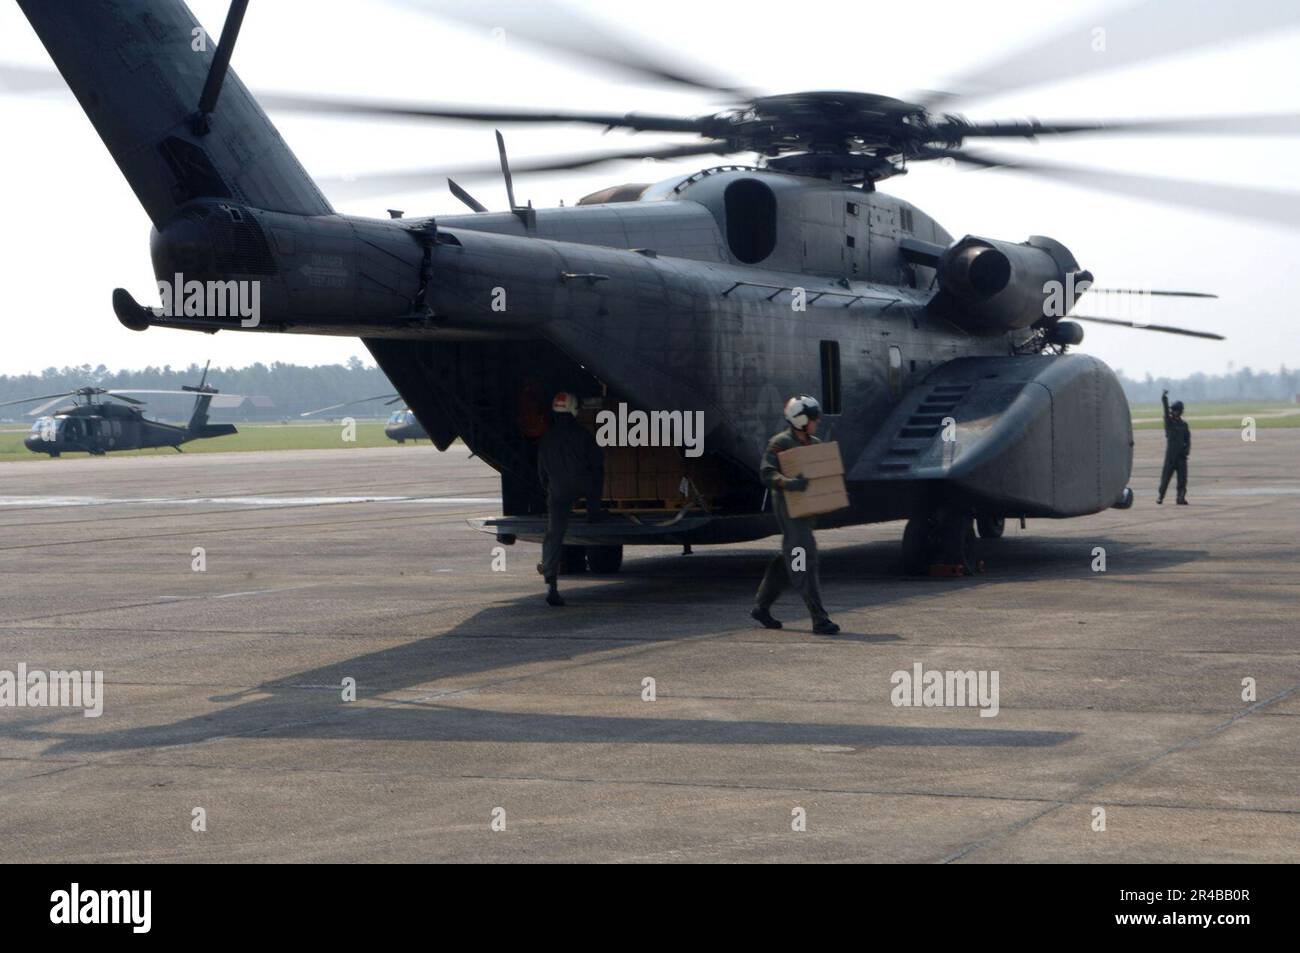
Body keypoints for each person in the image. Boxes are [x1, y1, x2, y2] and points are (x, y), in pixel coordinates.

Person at [752, 395, 840, 635]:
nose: (817, 422)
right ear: (800, 419)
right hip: (789, 510)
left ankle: (761, 607)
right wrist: (790, 483)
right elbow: (767, 474)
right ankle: (819, 619)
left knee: (787, 559)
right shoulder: (780, 443)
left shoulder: (814, 443)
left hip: (806, 511)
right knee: (805, 560)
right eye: (813, 418)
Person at [537, 391, 605, 606]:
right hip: (582, 485)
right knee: (597, 475)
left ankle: (551, 582)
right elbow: (597, 463)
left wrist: (548, 489)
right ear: (574, 410)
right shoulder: (583, 434)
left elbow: (541, 470)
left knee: (554, 534)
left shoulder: (547, 438)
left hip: (557, 490)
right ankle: (594, 514)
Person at [1158, 389, 1191, 505]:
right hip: (1171, 456)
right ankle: (1161, 496)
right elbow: (1166, 412)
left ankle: (1180, 497)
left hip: (1181, 457)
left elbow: (1188, 439)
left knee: (1182, 479)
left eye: (1176, 410)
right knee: (1166, 477)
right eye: (1173, 410)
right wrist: (1164, 399)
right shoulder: (1169, 423)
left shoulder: (1184, 425)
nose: (1174, 412)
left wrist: (1186, 451)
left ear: (1180, 411)